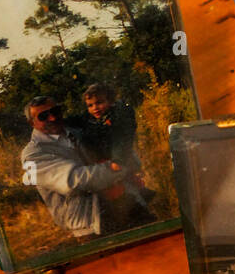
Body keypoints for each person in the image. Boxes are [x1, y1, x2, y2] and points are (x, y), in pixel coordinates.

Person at [20, 96, 153, 239]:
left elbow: (123, 152)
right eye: (43, 116)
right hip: (92, 223)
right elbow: (75, 180)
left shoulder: (78, 131)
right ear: (31, 123)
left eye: (56, 111)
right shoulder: (33, 155)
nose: (52, 118)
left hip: (127, 203)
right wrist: (120, 168)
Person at [79, 82, 156, 207]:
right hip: (109, 159)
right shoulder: (93, 119)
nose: (95, 108)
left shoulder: (118, 116)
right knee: (124, 183)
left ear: (110, 101)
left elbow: (121, 138)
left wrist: (118, 159)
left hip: (120, 158)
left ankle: (140, 202)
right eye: (90, 105)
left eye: (99, 103)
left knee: (126, 184)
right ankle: (139, 195)